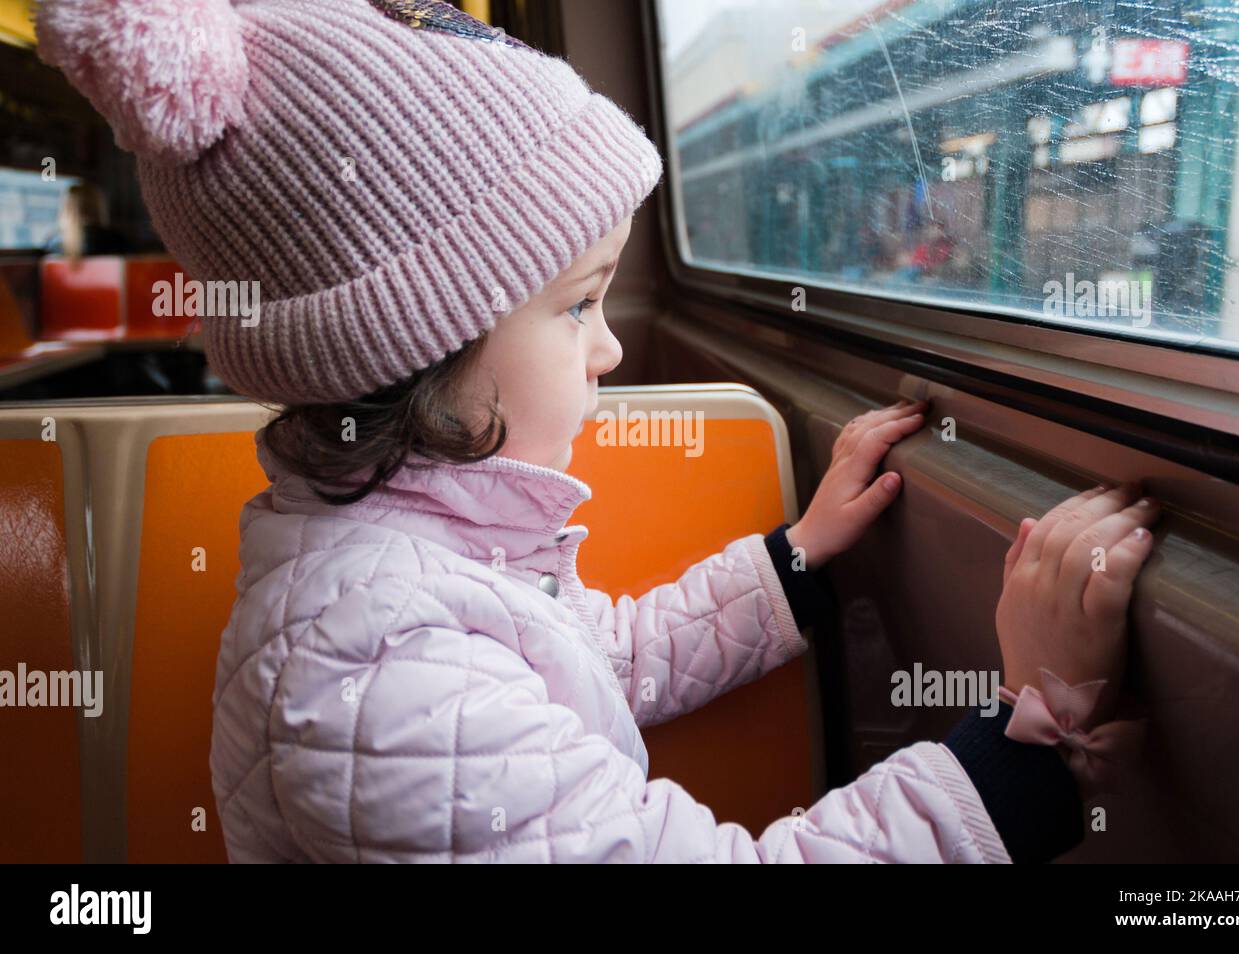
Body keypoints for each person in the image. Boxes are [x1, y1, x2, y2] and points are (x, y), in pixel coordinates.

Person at [37, 0, 1160, 863]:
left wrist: (796, 557)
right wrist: (1024, 742)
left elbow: (593, 660)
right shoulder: (375, 666)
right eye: (577, 305)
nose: (610, 348)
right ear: (416, 343)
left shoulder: (410, 562)